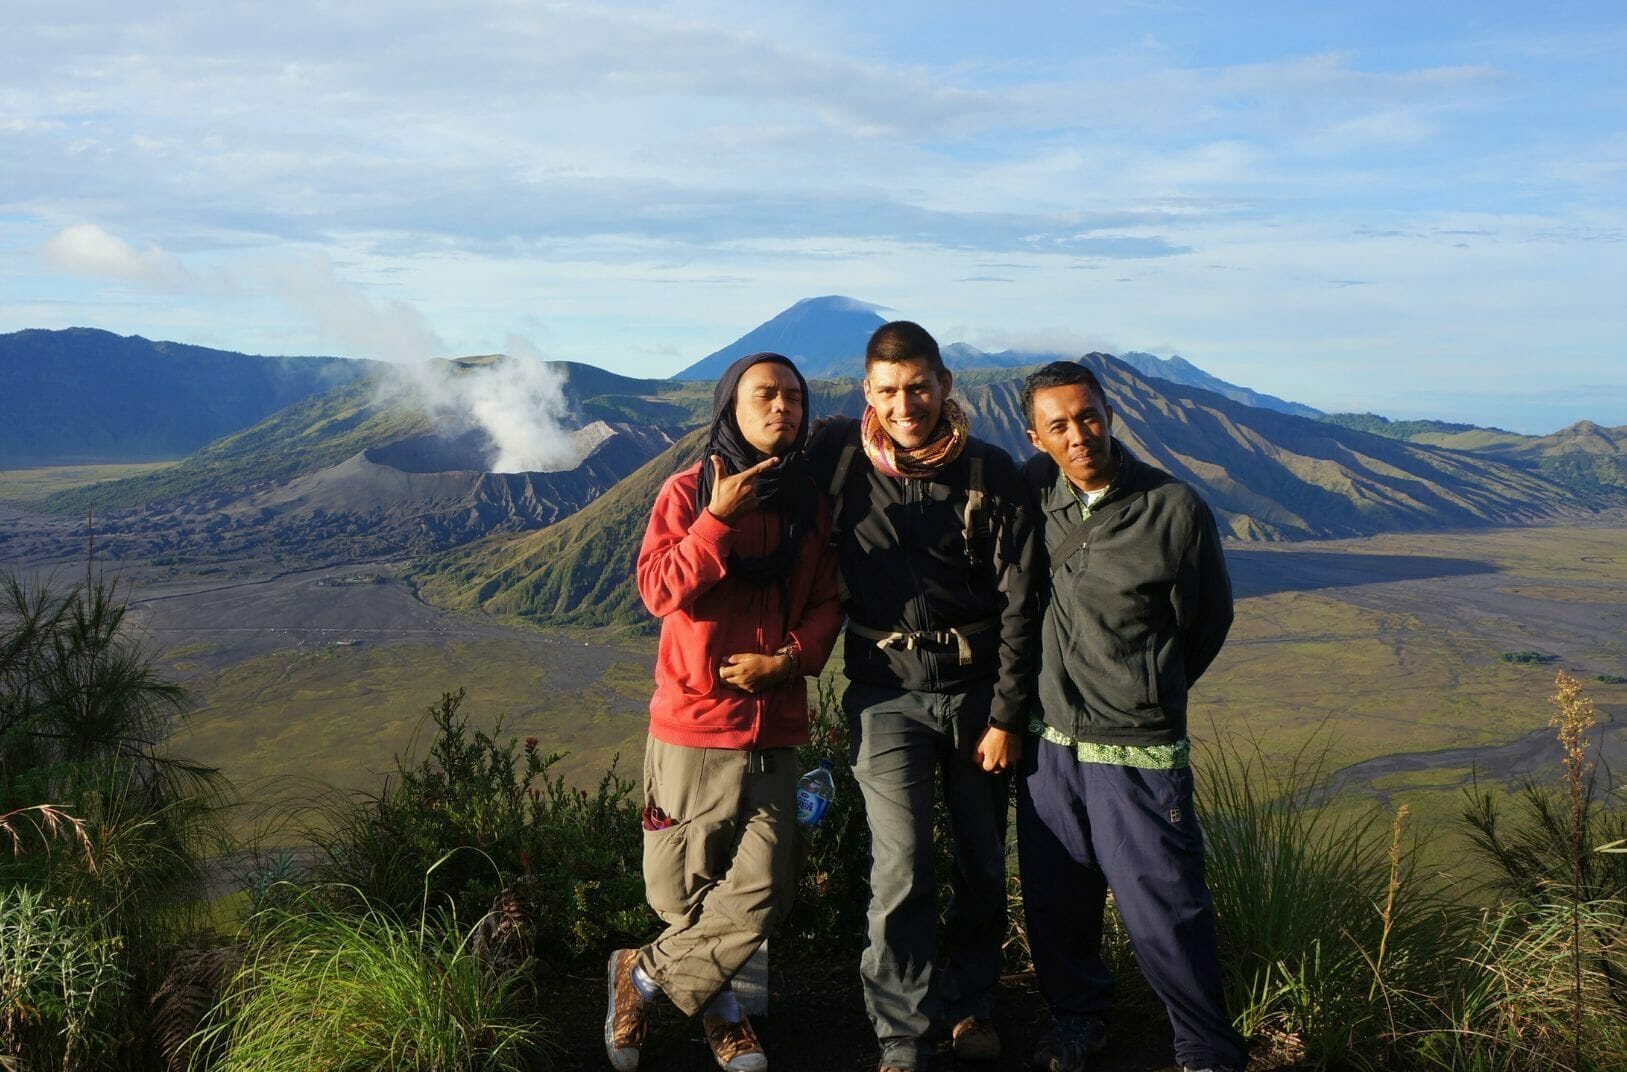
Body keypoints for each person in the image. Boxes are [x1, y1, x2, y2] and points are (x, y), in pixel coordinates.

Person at [807, 321, 1039, 1072]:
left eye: (917, 387)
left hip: (976, 695)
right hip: (884, 695)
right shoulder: (840, 458)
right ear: (865, 394)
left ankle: (971, 1005)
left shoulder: (990, 471)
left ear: (943, 385)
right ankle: (900, 1034)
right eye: (887, 391)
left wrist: (1006, 715)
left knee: (979, 858)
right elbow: (765, 483)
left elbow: (1020, 603)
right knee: (901, 865)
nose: (904, 405)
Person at [604, 352, 843, 1072]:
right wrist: (715, 520)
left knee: (764, 889)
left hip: (772, 725)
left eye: (794, 398)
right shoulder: (685, 493)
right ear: (729, 410)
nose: (782, 409)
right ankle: (724, 1011)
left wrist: (791, 659)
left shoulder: (809, 506)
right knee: (682, 889)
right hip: (693, 725)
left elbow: (829, 601)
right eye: (765, 396)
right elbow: (656, 590)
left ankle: (638, 975)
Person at [1016, 360, 1247, 1072]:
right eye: (1058, 425)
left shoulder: (1172, 507)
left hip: (1136, 746)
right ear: (1036, 436)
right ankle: (1079, 1021)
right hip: (1047, 743)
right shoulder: (1030, 495)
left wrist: (1147, 689)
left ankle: (1205, 1046)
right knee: (1056, 900)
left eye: (1087, 416)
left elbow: (1205, 621)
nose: (1077, 434)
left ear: (1109, 413)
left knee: (1164, 907)